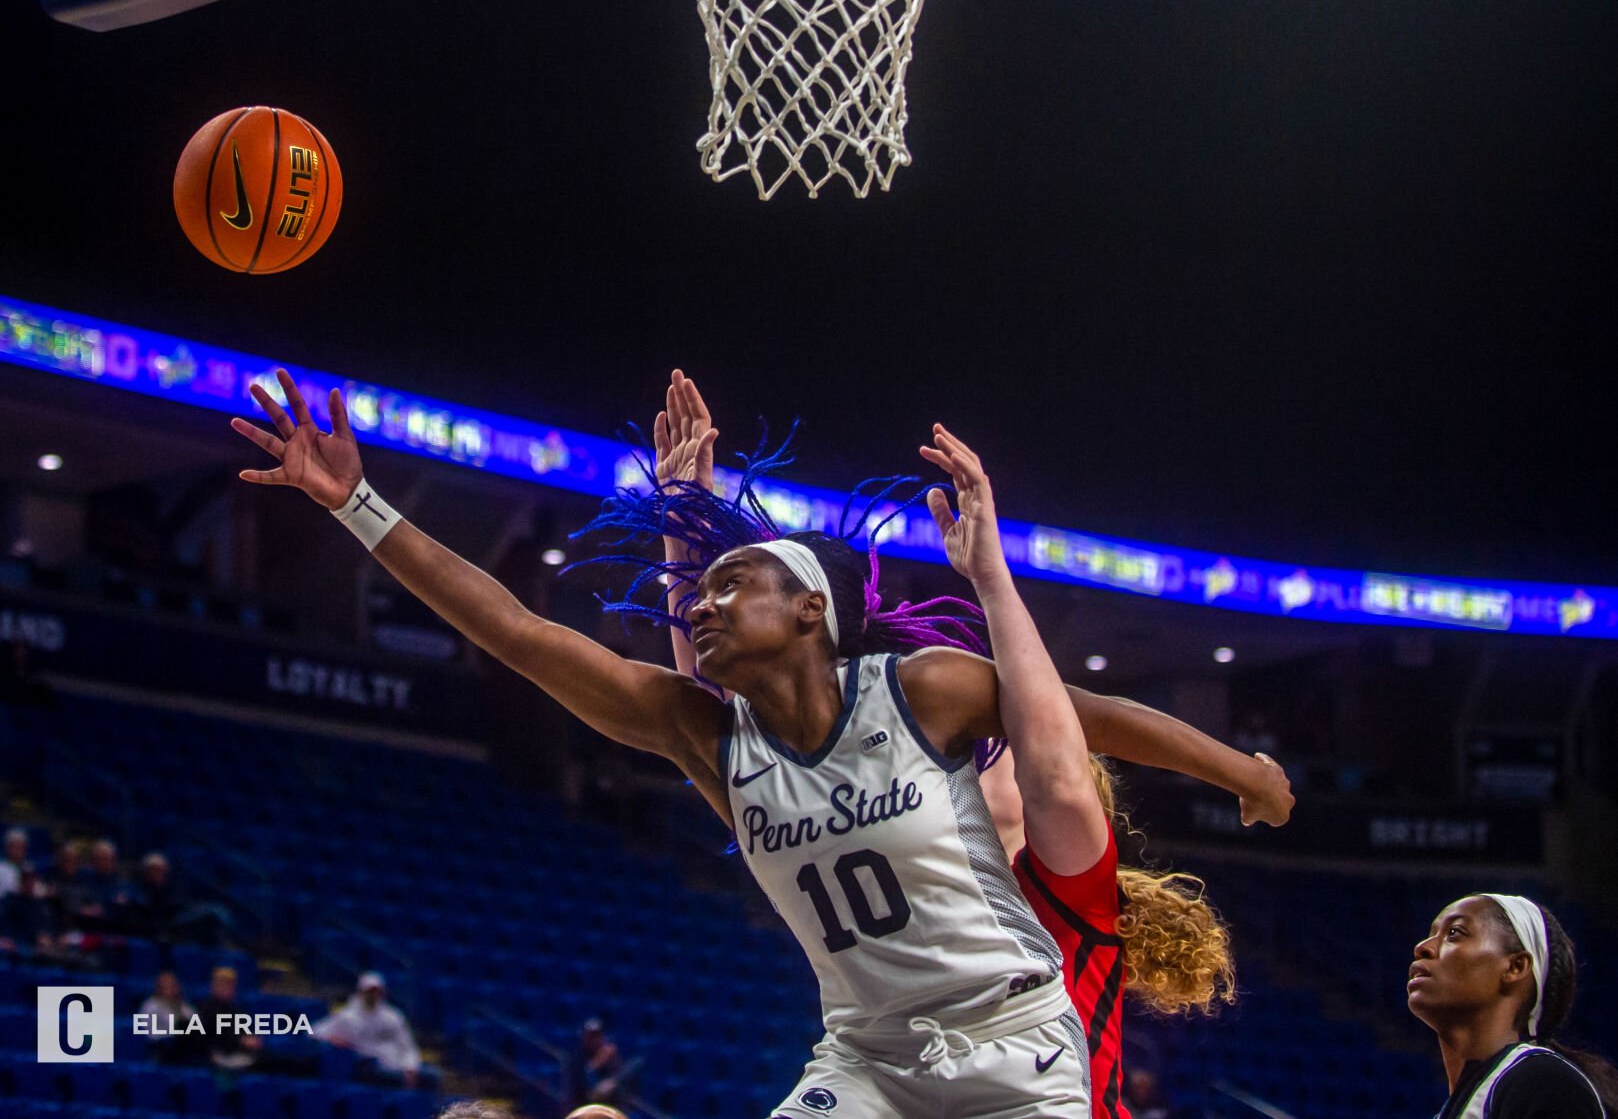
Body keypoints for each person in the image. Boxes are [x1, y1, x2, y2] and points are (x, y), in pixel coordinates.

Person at [232, 368, 1287, 1119]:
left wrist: (1244, 770)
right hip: (868, 1060)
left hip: (1017, 1049)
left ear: (809, 614)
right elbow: (517, 630)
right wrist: (355, 504)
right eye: (703, 589)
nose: (702, 602)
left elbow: (1087, 720)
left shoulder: (921, 688)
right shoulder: (703, 735)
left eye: (737, 583)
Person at [923, 429, 1238, 1119]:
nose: (978, 761)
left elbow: (1060, 757)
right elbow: (746, 765)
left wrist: (988, 575)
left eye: (995, 753)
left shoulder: (1066, 884)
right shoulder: (927, 883)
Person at [1409, 893, 1617, 1117]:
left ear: (1515, 967)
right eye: (1430, 934)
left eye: (1454, 933)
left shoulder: (1544, 1083)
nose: (1423, 947)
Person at [313, 971, 426, 1088]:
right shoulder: (348, 1016)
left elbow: (407, 1045)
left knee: (431, 1076)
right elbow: (316, 1030)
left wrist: (410, 1067)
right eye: (370, 991)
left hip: (396, 1063)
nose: (373, 995)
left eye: (377, 991)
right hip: (368, 1065)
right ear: (361, 992)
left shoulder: (393, 1016)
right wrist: (331, 1038)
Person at [138, 970, 198, 1065]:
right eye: (166, 985)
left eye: (173, 985)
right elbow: (147, 1033)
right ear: (159, 987)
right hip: (158, 1049)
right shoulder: (150, 1006)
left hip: (183, 1050)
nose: (170, 989)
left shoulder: (186, 1008)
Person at [567, 1017, 626, 1109]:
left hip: (609, 1106)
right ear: (584, 1037)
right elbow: (579, 1087)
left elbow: (618, 1078)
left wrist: (614, 1061)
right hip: (585, 1106)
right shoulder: (577, 1058)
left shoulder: (609, 1055)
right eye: (591, 1036)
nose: (594, 1040)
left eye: (597, 1035)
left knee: (636, 1064)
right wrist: (595, 1065)